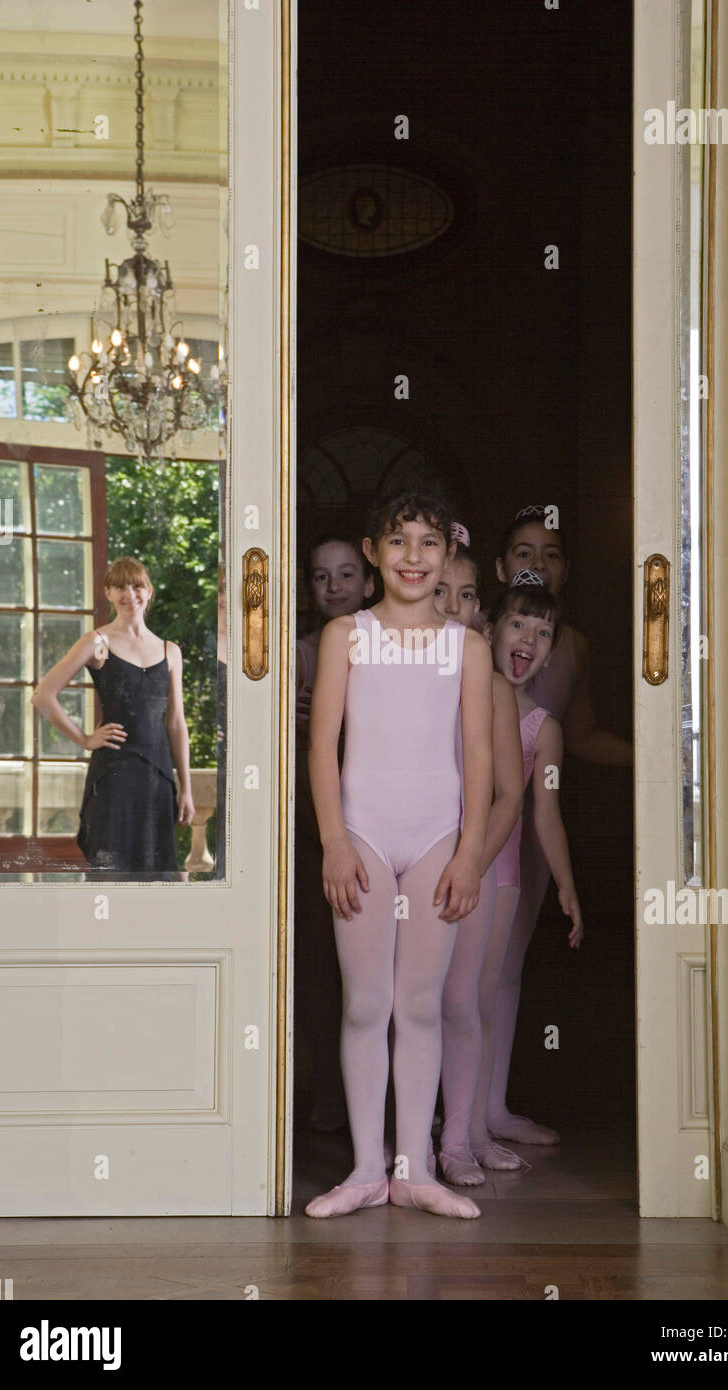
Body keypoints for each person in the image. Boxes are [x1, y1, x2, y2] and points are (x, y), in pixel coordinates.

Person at [305, 491, 494, 1219]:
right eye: (399, 542)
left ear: (447, 556)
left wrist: (470, 853)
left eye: (428, 543)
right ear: (373, 551)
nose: (414, 557)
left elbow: (478, 756)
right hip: (363, 838)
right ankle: (362, 1170)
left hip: (437, 840)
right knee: (366, 1004)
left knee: (420, 1004)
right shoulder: (346, 635)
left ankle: (413, 1169)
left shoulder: (467, 647)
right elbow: (323, 745)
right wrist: (333, 841)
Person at [488, 505, 629, 1145]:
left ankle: (488, 1110)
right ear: (499, 569)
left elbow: (581, 737)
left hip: (527, 839)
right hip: (463, 830)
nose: (537, 564)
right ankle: (437, 1121)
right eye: (523, 552)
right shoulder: (469, 637)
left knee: (505, 970)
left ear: (567, 568)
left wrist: (664, 758)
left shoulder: (570, 648)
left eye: (551, 553)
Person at [432, 526, 525, 1186]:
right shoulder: (388, 673)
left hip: (474, 868)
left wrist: (472, 867)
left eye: (467, 596)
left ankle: (461, 1138)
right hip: (407, 864)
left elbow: (509, 793)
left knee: (461, 1003)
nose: (454, 607)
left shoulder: (493, 686)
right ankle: (402, 1140)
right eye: (441, 591)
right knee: (403, 1006)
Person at [32, 556, 194, 878]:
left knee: (156, 878)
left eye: (136, 586)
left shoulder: (169, 651)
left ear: (148, 592)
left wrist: (185, 786)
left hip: (157, 779)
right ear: (108, 593)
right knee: (111, 876)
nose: (129, 594)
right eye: (119, 586)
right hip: (114, 778)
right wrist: (85, 739)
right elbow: (43, 695)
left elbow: (176, 722)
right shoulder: (99, 643)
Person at [295, 534, 375, 1133]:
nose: (335, 586)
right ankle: (328, 1097)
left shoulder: (393, 647)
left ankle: (392, 1109)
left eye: (347, 573)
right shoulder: (294, 654)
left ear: (369, 581)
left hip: (377, 817)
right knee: (321, 958)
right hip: (313, 819)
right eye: (321, 577)